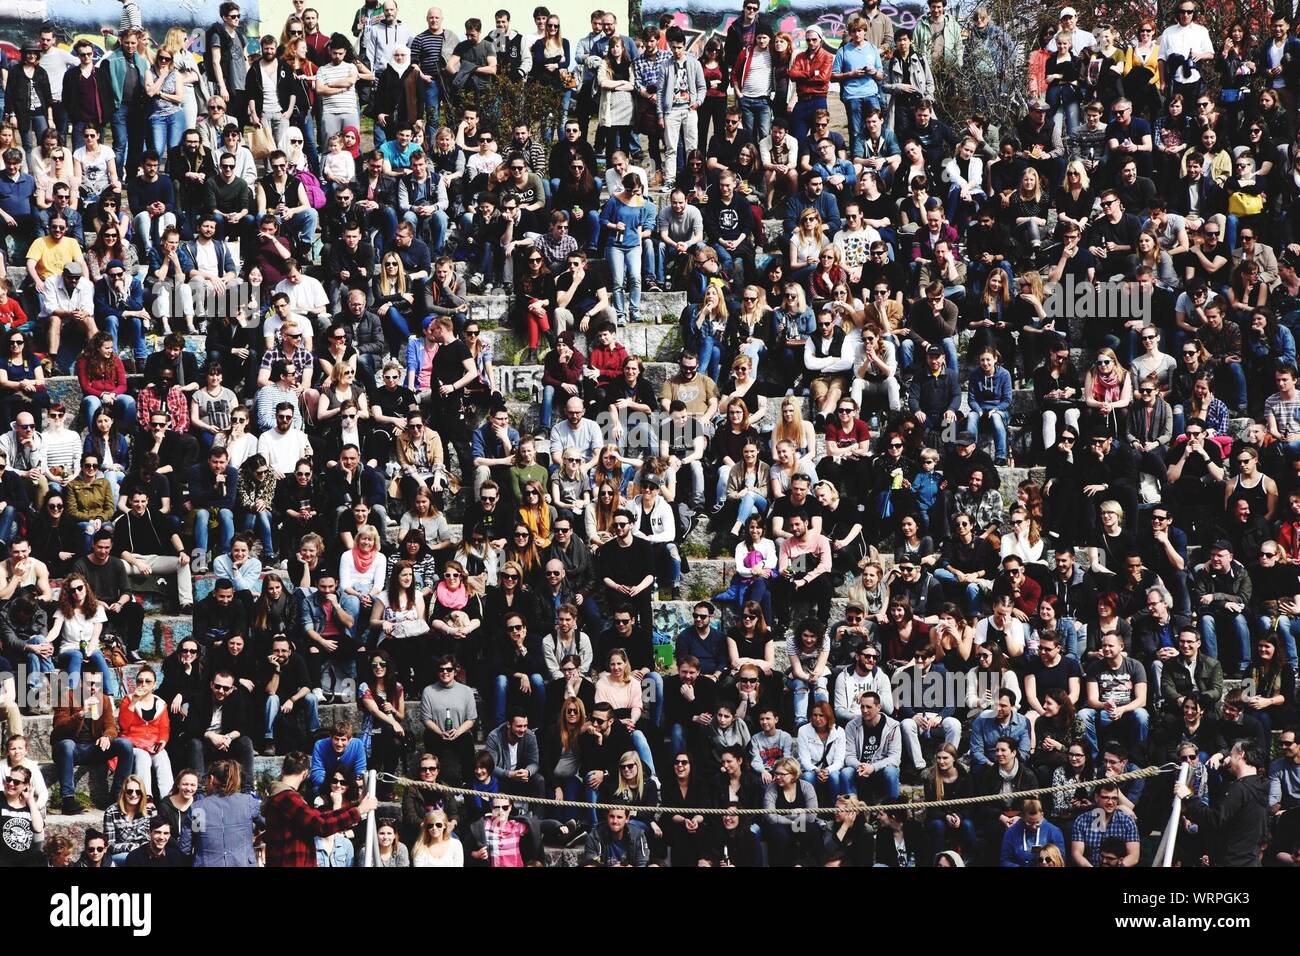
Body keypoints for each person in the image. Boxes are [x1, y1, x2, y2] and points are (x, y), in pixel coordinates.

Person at [263, 750, 377, 867]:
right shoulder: (288, 798)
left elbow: (319, 817)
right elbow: (322, 825)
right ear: (305, 774)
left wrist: (357, 805)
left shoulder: (281, 797)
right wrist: (359, 811)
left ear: (282, 770)